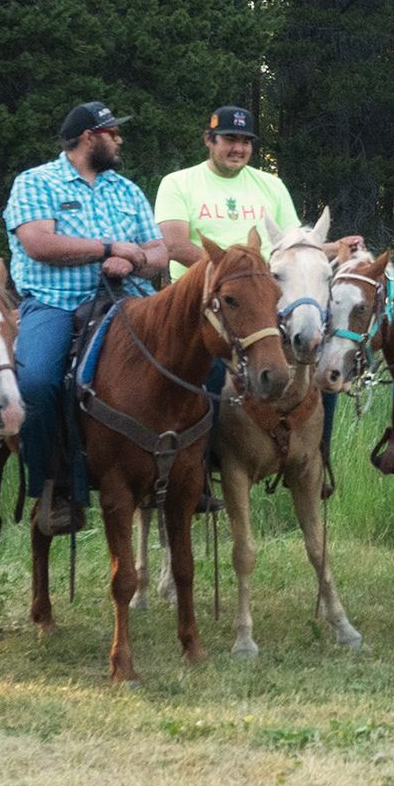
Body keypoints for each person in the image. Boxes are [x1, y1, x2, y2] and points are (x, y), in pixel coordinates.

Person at [153, 104, 361, 495]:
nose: (238, 148)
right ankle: (198, 473)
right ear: (209, 140)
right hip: (205, 304)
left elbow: (293, 243)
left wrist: (333, 247)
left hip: (267, 300)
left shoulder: (270, 185)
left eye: (246, 141)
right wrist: (237, 276)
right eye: (230, 139)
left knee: (316, 356)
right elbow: (176, 244)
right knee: (208, 375)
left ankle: (318, 458)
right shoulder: (179, 183)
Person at [5, 101, 168, 535]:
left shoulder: (127, 189)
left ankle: (190, 469)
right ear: (88, 137)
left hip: (129, 300)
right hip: (56, 302)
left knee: (199, 355)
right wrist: (109, 249)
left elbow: (158, 252)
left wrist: (134, 263)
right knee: (36, 380)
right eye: (112, 133)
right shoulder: (36, 182)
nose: (119, 140)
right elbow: (39, 243)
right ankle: (52, 484)